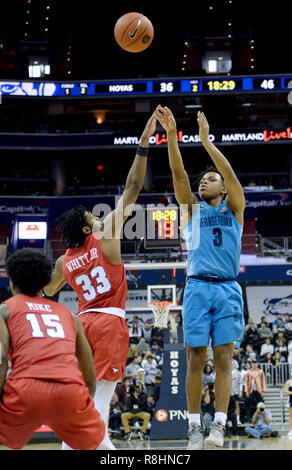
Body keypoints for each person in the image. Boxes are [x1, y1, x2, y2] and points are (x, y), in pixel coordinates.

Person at [43, 110, 158, 447]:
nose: (97, 215)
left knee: (88, 401)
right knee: (99, 402)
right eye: (91, 215)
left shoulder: (65, 261)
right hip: (108, 324)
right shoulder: (106, 234)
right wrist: (144, 142)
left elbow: (47, 289)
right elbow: (134, 187)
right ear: (85, 227)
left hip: (81, 325)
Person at [154, 106, 245, 449]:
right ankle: (194, 426)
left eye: (211, 179)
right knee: (195, 357)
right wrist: (174, 137)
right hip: (197, 287)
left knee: (224, 357)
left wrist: (206, 142)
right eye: (202, 179)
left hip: (227, 288)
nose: (203, 181)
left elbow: (231, 176)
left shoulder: (234, 206)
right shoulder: (193, 209)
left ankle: (219, 426)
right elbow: (179, 176)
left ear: (222, 189)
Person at [0, 249, 112, 450]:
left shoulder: (5, 310)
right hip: (70, 390)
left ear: (12, 283)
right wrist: (82, 402)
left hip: (26, 390)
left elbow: (1, 359)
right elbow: (89, 375)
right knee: (98, 445)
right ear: (45, 283)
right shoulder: (70, 315)